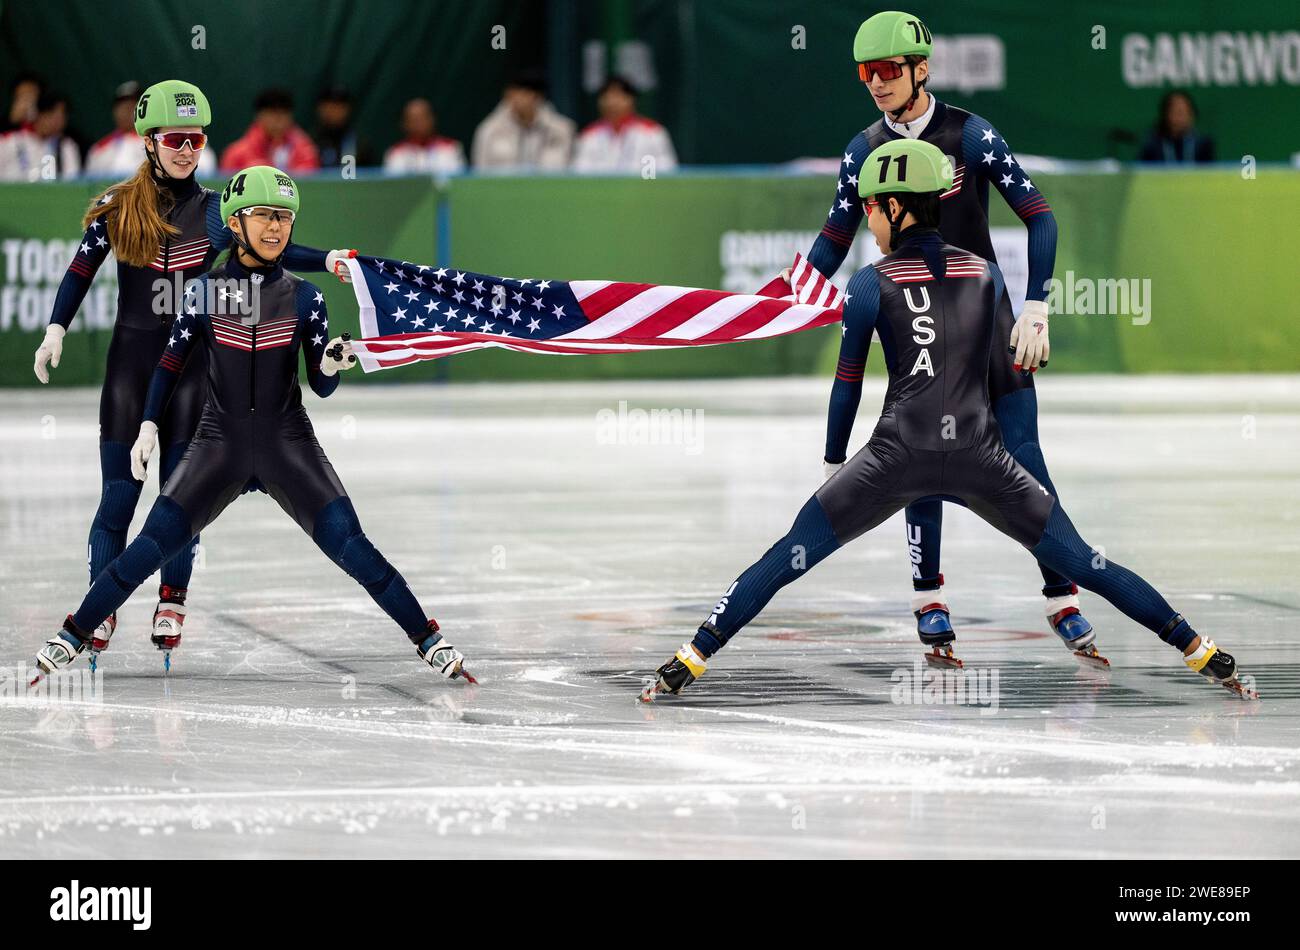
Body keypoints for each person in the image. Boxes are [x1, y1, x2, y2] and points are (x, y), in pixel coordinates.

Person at [643, 140, 1256, 703]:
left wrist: (834, 464)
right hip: (982, 459)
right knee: (1088, 565)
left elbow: (847, 384)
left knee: (788, 556)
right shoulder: (985, 275)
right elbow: (1000, 379)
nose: (869, 224)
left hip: (893, 459)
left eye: (870, 211)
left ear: (891, 206)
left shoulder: (868, 282)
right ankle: (1203, 652)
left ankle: (689, 659)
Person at [32, 166, 475, 686]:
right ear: (235, 224)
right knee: (145, 550)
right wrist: (149, 423)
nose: (276, 228)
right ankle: (71, 634)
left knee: (354, 548)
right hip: (217, 448)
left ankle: (429, 638)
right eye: (264, 215)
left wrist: (330, 363)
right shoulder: (202, 293)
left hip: (289, 446)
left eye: (285, 217)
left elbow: (321, 385)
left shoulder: (307, 297)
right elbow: (170, 366)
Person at [781, 11, 1084, 664]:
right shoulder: (862, 150)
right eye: (866, 73)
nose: (877, 84)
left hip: (989, 317)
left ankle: (1061, 591)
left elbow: (1040, 216)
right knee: (923, 462)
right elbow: (836, 238)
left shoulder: (971, 135)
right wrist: (797, 285)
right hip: (917, 319)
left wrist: (1037, 305)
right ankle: (928, 597)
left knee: (1025, 453)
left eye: (889, 70)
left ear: (922, 68)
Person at [31, 80, 354, 668]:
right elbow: (80, 271)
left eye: (197, 138)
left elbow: (277, 248)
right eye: (176, 138)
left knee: (177, 502)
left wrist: (328, 259)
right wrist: (56, 328)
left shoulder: (213, 212)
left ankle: (172, 598)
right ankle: (99, 605)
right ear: (149, 141)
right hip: (131, 373)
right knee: (117, 500)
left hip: (193, 374)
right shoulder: (117, 205)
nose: (188, 149)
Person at [85, 81, 219, 178]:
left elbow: (206, 169)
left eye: (135, 104)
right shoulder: (101, 149)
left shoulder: (186, 139)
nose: (130, 110)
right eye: (123, 106)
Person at [572, 74, 676, 173]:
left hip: (641, 189)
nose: (612, 103)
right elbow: (580, 173)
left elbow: (663, 172)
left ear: (632, 100)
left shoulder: (652, 133)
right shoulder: (589, 135)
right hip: (601, 190)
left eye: (618, 96)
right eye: (607, 97)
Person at [471, 71, 574, 171]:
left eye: (524, 94)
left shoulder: (562, 129)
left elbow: (570, 171)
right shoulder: (489, 129)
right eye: (512, 94)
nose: (516, 99)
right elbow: (480, 171)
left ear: (538, 96)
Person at [219, 88, 320, 174]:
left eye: (283, 113)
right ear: (258, 116)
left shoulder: (305, 148)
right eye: (272, 113)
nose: (278, 120)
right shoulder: (236, 154)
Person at [0, 89, 80, 180]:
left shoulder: (66, 146)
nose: (57, 121)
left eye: (62, 116)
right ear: (38, 114)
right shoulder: (8, 141)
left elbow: (71, 182)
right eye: (51, 114)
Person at [383, 97, 465, 175]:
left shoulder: (451, 148)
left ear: (432, 119)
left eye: (423, 118)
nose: (419, 124)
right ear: (404, 124)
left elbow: (457, 182)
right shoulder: (395, 153)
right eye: (414, 120)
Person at [1137, 90, 1214, 164]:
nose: (1180, 118)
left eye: (1185, 112)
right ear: (1166, 115)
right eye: (1177, 112)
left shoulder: (1203, 145)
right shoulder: (1152, 146)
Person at [312, 86, 376, 169]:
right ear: (320, 108)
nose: (334, 111)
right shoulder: (309, 142)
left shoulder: (360, 146)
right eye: (329, 105)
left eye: (339, 106)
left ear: (348, 110)